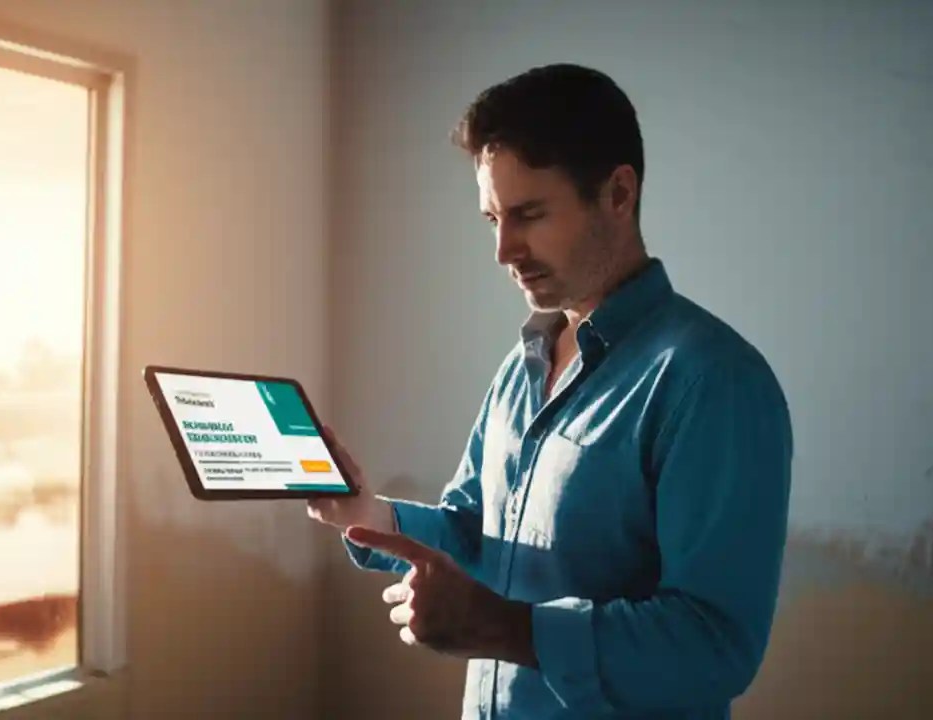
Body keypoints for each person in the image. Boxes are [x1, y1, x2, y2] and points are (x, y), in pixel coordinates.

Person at [307, 63, 792, 720]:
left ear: (619, 194)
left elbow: (715, 646)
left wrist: (503, 628)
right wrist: (367, 515)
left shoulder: (713, 381)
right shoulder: (522, 366)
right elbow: (476, 532)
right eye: (491, 219)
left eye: (529, 214)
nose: (504, 250)